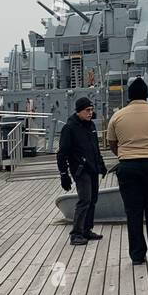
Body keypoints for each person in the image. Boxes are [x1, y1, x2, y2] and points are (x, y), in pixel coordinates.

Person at [106, 77, 148, 266]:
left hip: (128, 167)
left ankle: (137, 255)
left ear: (129, 96)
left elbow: (113, 143)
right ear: (146, 94)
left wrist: (126, 153)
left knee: (133, 212)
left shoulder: (117, 117)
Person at [57, 96, 106, 245]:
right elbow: (62, 153)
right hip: (80, 169)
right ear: (79, 111)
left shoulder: (90, 126)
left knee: (93, 200)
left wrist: (101, 165)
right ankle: (76, 233)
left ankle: (86, 230)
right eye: (87, 110)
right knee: (84, 200)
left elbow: (95, 148)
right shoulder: (70, 128)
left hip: (92, 168)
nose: (90, 113)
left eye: (91, 110)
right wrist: (64, 174)